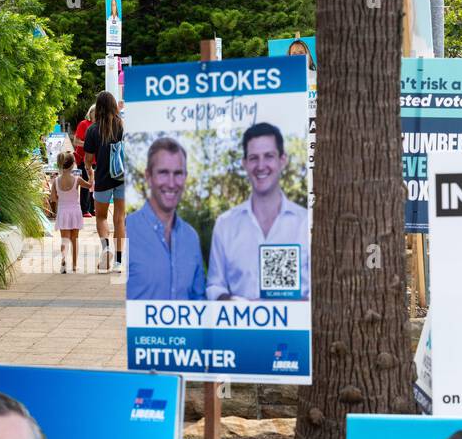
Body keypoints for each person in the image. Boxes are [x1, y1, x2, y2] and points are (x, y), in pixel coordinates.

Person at [207, 122, 310, 301]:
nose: (261, 166)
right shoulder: (226, 224)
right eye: (254, 158)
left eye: (269, 156)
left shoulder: (306, 223)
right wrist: (230, 302)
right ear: (245, 164)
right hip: (240, 328)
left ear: (282, 160)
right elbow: (214, 286)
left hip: (294, 329)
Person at [125, 137, 204, 300]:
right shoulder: (127, 231)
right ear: (148, 176)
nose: (171, 183)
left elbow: (199, 300)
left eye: (178, 173)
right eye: (163, 173)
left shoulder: (191, 237)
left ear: (185, 177)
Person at [83, 91, 126, 273]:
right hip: (122, 177)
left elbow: (88, 159)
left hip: (102, 178)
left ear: (98, 107)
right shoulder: (122, 125)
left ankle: (106, 247)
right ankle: (117, 262)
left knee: (100, 217)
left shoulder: (93, 130)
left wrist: (89, 172)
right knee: (119, 219)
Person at [50, 152, 92, 273]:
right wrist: (91, 175)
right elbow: (89, 186)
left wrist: (61, 199)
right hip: (75, 211)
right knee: (75, 239)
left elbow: (53, 198)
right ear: (73, 165)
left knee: (64, 239)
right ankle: (74, 265)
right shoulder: (77, 179)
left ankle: (63, 262)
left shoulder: (56, 181)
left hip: (63, 211)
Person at [74, 104, 95, 217]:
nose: (97, 114)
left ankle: (93, 208)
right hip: (83, 158)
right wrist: (89, 145)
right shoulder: (84, 124)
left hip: (97, 159)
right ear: (90, 113)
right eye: (95, 112)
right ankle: (84, 209)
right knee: (85, 183)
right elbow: (76, 142)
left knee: (95, 184)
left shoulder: (100, 125)